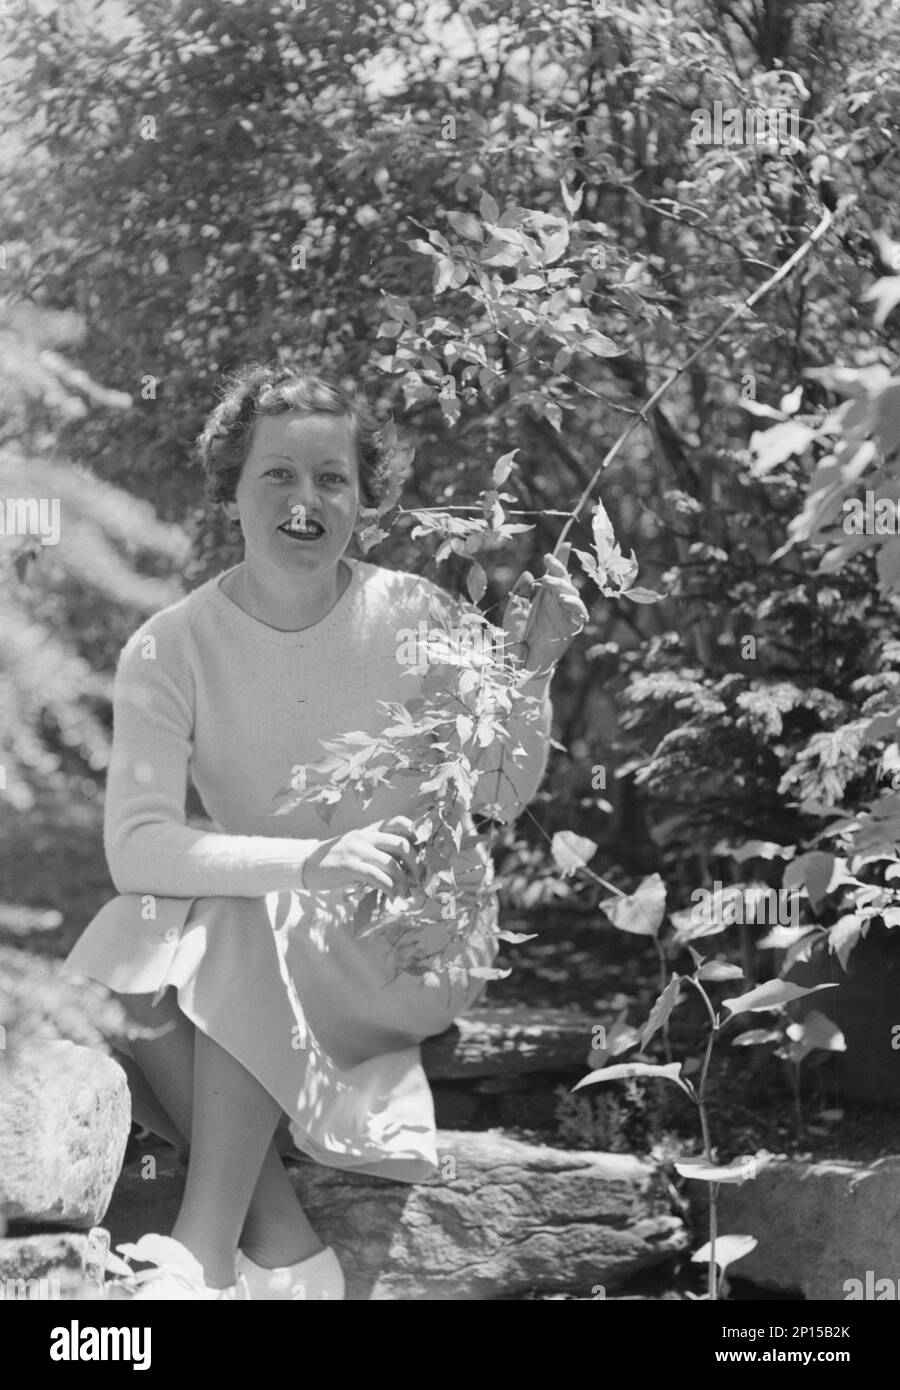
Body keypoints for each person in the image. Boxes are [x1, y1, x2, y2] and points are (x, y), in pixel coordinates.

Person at [62, 363, 588, 1300]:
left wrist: (536, 671)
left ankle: (202, 1250)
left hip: (414, 934)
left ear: (363, 500)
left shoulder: (417, 613)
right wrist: (309, 863)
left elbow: (501, 794)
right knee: (118, 945)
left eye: (332, 478)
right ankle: (291, 1254)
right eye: (278, 475)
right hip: (282, 912)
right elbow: (134, 847)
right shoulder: (169, 647)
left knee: (231, 922)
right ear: (231, 493)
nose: (306, 500)